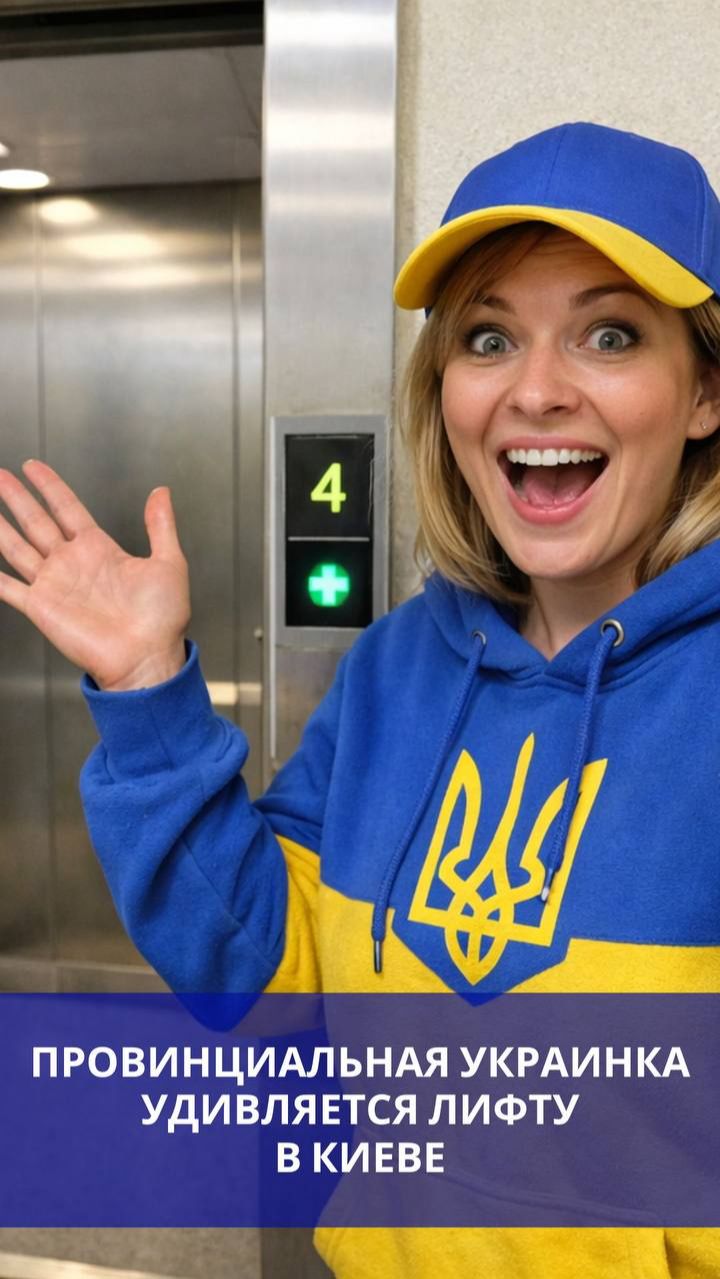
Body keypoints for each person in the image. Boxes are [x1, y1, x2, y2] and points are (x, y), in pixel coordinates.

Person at [0, 120, 719, 1276]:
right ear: (445, 389)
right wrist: (146, 691)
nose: (536, 390)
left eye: (609, 334)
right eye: (489, 336)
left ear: (703, 393)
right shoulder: (394, 670)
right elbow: (265, 983)